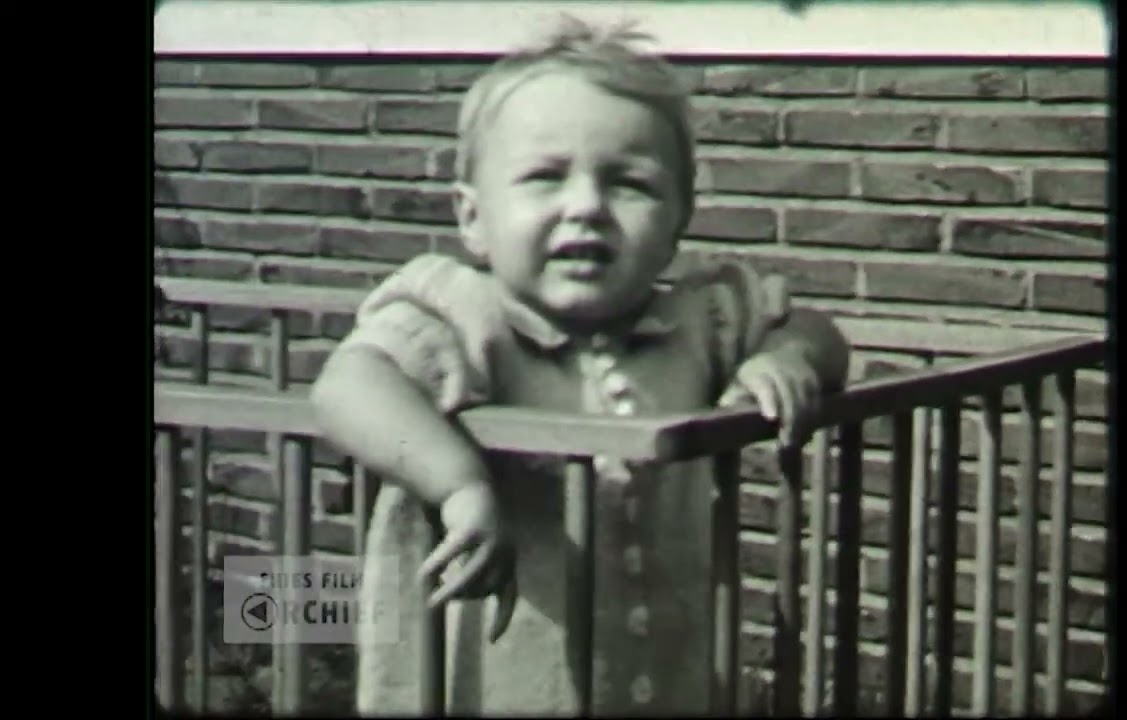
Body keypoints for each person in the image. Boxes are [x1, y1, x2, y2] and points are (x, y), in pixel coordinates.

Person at [310, 15, 850, 716]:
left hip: (666, 676)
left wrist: (787, 358)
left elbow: (819, 331)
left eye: (630, 184)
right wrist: (459, 485)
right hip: (491, 683)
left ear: (681, 213)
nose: (586, 207)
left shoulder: (699, 320)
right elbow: (349, 385)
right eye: (544, 177)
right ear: (472, 218)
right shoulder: (462, 317)